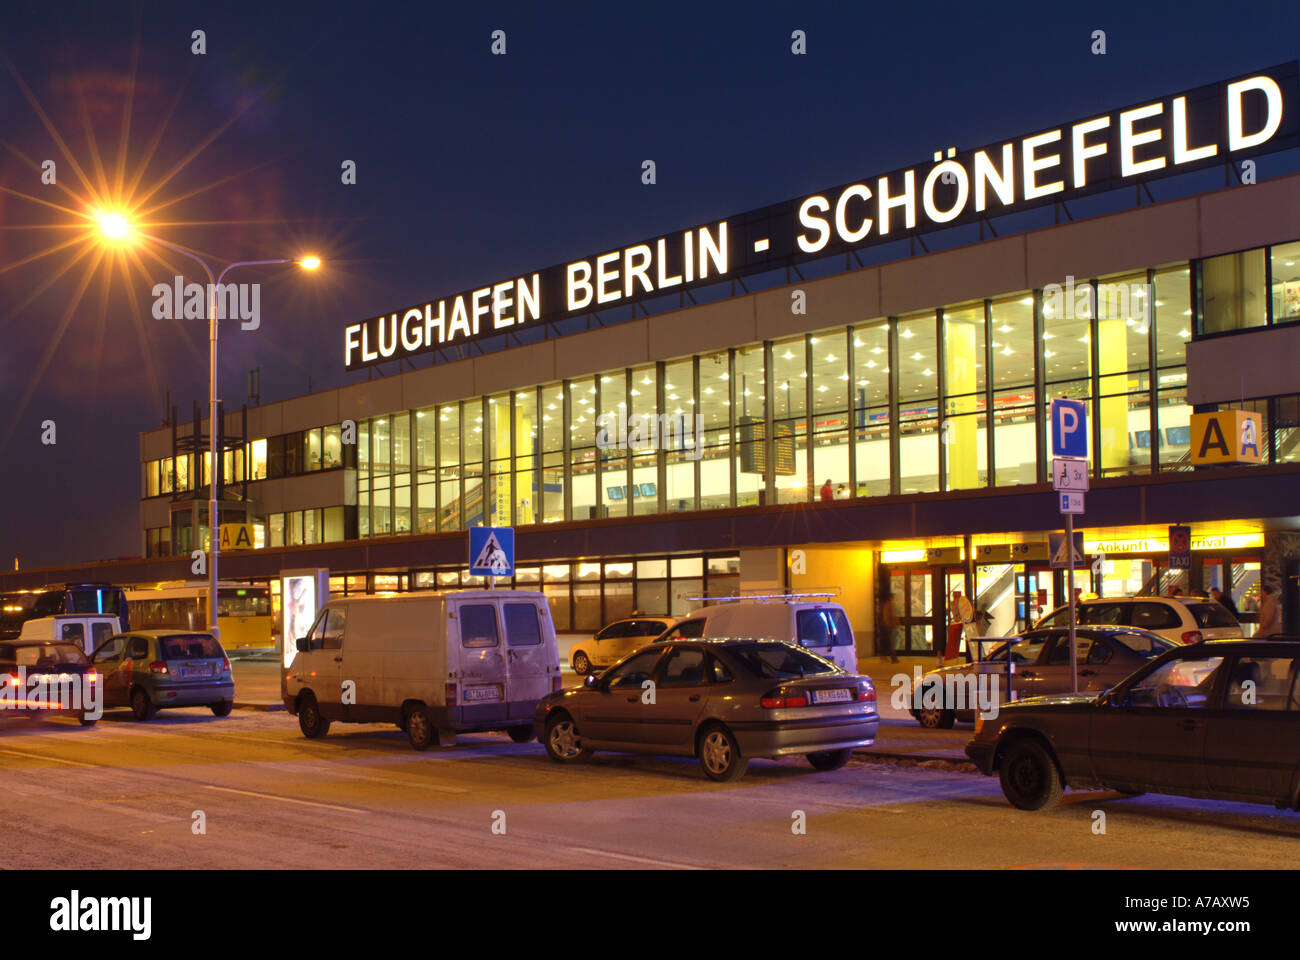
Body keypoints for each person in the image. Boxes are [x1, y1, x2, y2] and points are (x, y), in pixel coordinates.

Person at [943, 589, 973, 666]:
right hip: (959, 624)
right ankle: (954, 659)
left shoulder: (959, 604)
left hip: (960, 624)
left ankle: (955, 659)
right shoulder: (955, 604)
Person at [879, 591, 900, 663]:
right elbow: (887, 616)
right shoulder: (889, 605)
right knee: (891, 642)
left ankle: (886, 656)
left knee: (890, 642)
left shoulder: (888, 605)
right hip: (890, 625)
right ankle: (894, 658)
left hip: (890, 625)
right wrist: (891, 623)